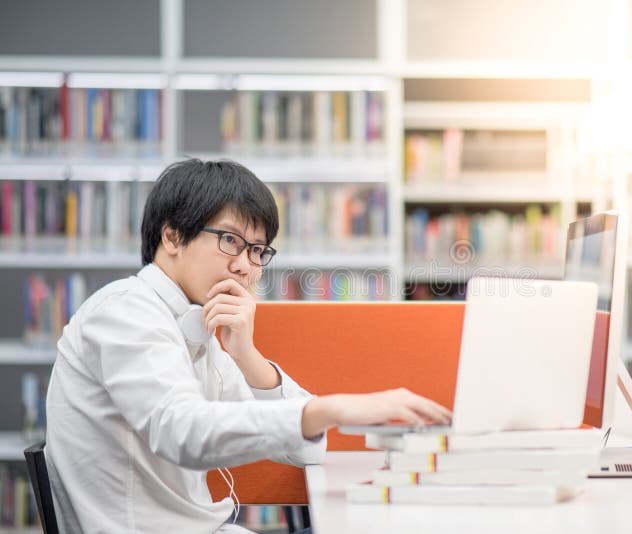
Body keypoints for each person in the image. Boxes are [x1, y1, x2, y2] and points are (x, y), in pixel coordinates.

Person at [45, 159, 452, 533]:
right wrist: (332, 407)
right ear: (172, 236)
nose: (245, 266)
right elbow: (182, 431)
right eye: (230, 241)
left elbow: (303, 451)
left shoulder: (196, 324)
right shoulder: (127, 313)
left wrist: (247, 355)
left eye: (258, 250)